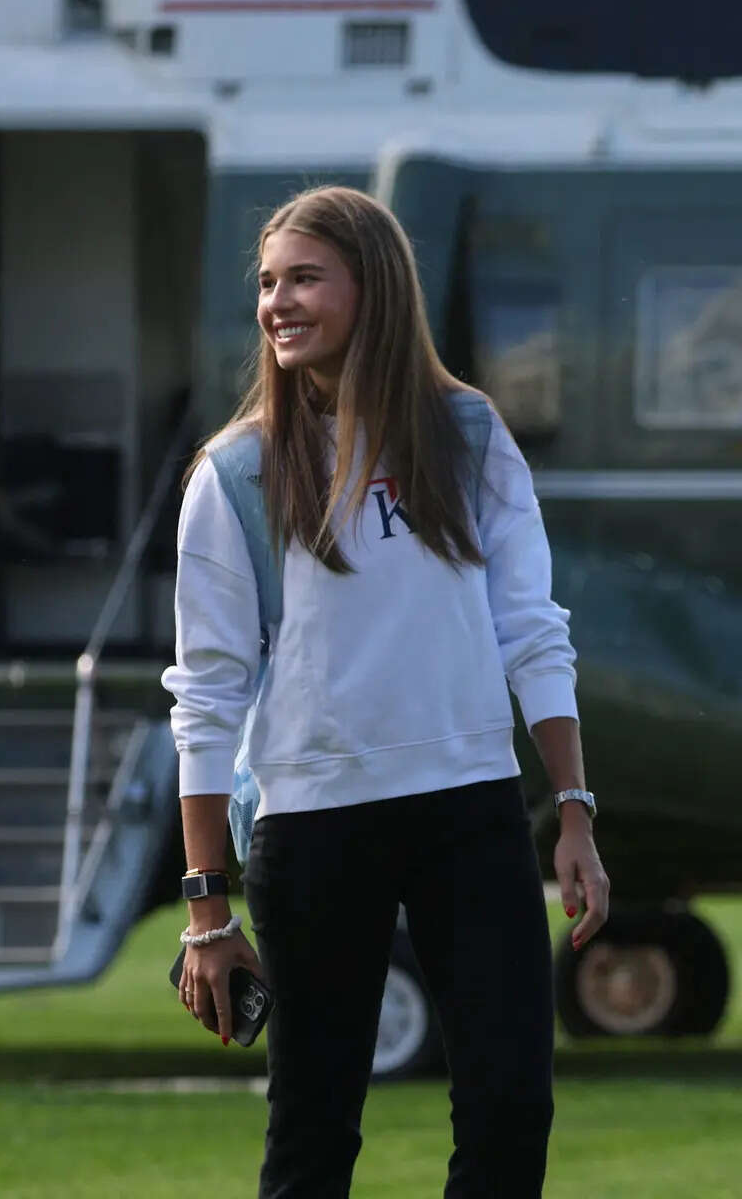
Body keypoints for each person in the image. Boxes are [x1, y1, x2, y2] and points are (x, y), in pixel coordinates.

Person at [161, 184, 609, 1198]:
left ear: (374, 285)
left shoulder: (469, 433)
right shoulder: (233, 474)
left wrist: (573, 808)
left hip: (473, 809)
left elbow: (532, 627)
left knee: (510, 1106)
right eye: (268, 282)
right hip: (313, 824)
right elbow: (205, 694)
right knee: (315, 1130)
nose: (278, 301)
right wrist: (205, 907)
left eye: (305, 277)